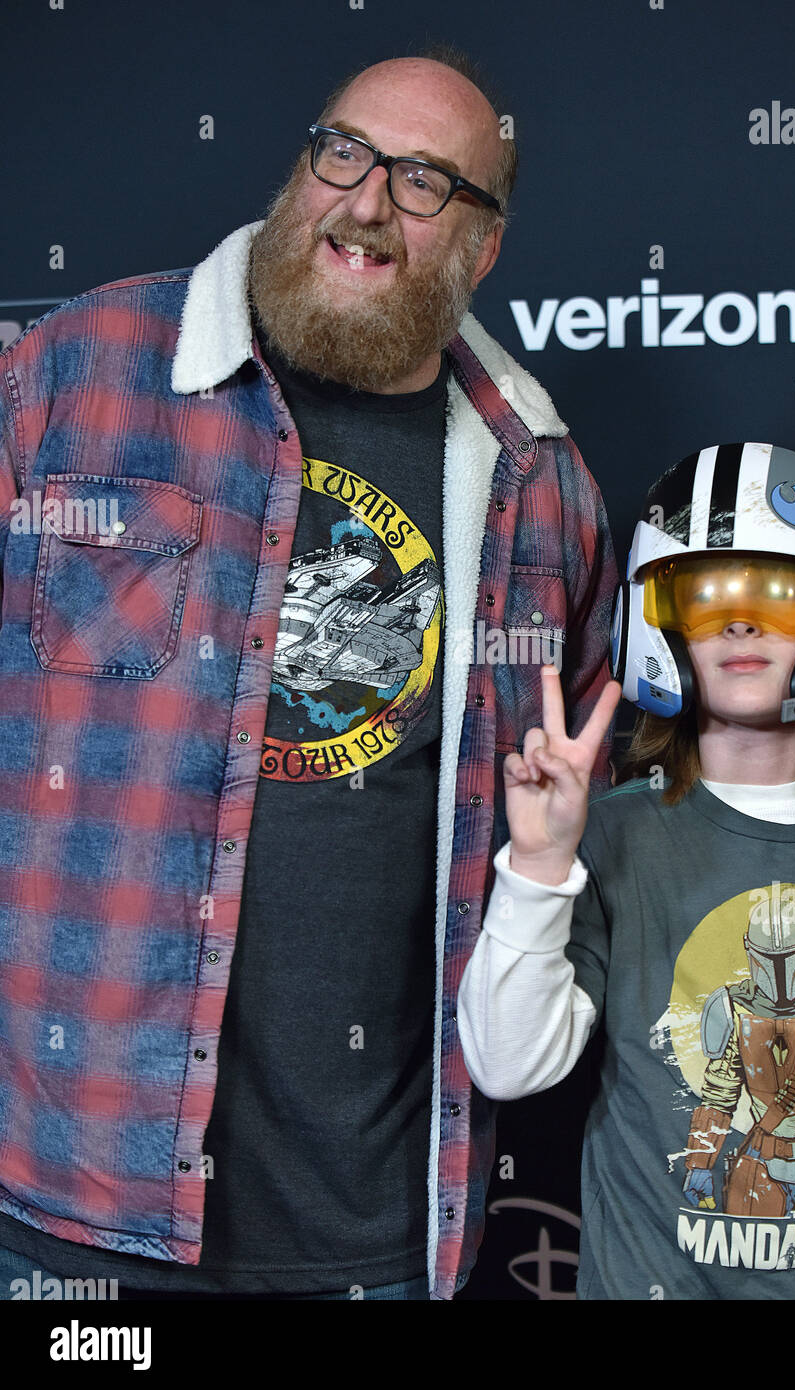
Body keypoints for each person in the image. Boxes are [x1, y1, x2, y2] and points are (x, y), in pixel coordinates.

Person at [0, 48, 618, 1301]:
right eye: (345, 152)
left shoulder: (538, 484)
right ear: (302, 168)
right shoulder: (75, 373)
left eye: (426, 180)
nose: (368, 201)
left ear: (482, 247)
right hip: (85, 1208)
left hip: (377, 1232)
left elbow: (571, 811)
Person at [458, 441, 795, 1299]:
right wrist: (541, 864)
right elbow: (508, 1066)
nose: (742, 623)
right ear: (659, 624)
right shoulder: (618, 834)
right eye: (706, 599)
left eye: (778, 593)